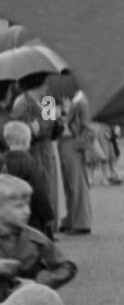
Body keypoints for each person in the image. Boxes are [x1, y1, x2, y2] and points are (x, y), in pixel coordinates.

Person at [0, 175, 76, 301]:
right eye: (19, 206)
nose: (27, 211)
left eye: (28, 205)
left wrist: (37, 283)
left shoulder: (35, 239)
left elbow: (66, 268)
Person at [10, 73, 60, 235]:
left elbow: (50, 128)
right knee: (37, 188)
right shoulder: (22, 103)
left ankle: (50, 226)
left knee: (50, 187)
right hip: (32, 150)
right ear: (37, 83)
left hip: (46, 149)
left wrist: (39, 127)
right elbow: (20, 131)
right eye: (45, 82)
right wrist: (37, 128)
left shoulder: (48, 100)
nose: (47, 86)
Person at [2, 121, 56, 238]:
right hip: (30, 218)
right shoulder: (30, 164)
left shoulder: (3, 162)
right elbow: (39, 191)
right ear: (27, 141)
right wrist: (48, 216)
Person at [57, 88, 92, 235]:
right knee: (67, 184)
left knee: (77, 183)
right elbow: (48, 123)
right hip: (59, 141)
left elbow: (89, 129)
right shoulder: (51, 99)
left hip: (71, 142)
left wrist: (79, 143)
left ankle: (81, 221)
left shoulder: (81, 101)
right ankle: (70, 218)